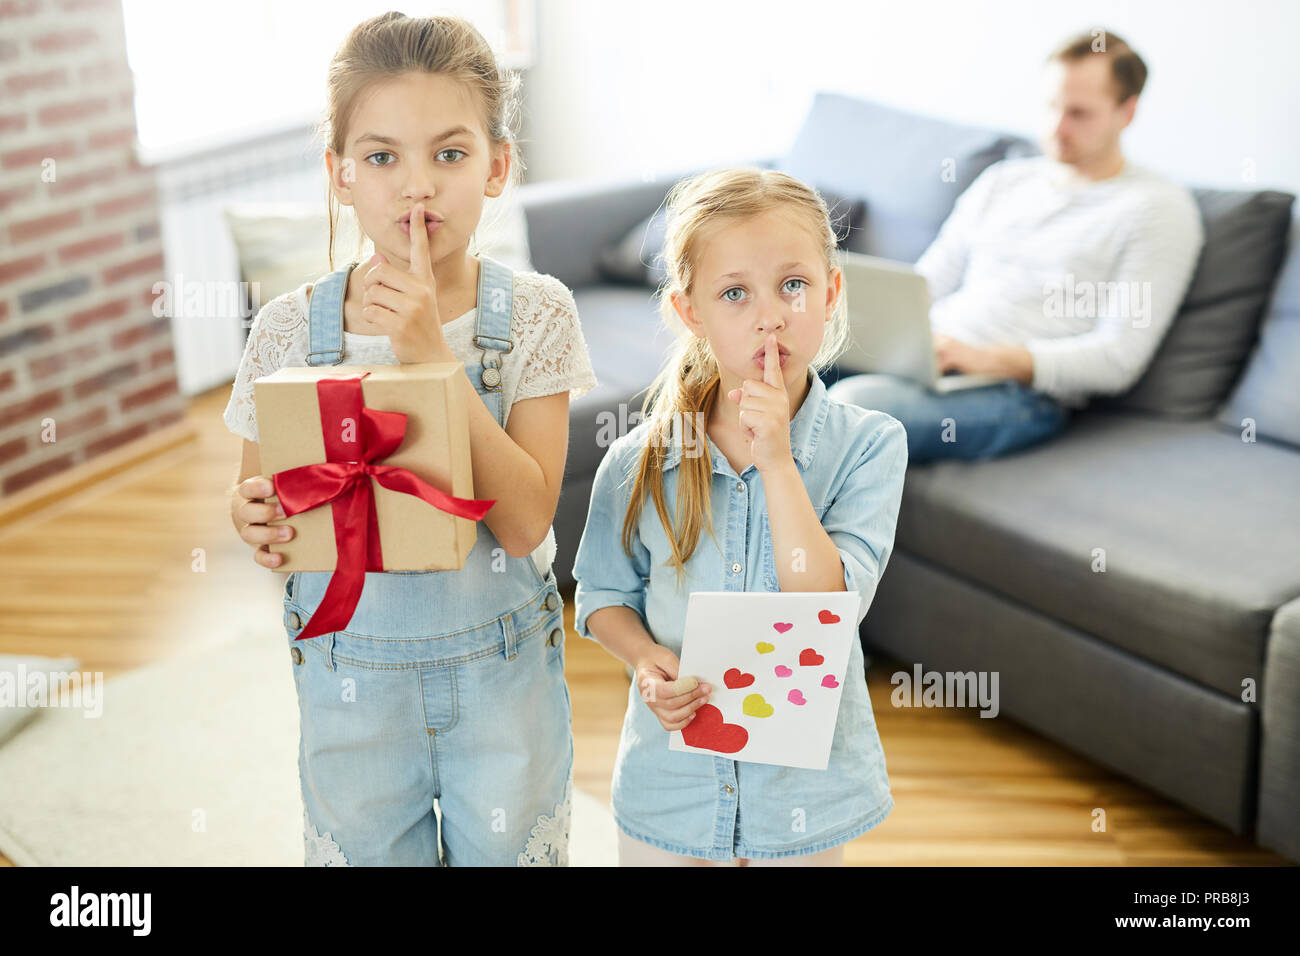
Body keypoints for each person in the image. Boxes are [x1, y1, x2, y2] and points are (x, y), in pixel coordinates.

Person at [222, 13, 597, 866]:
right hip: (351, 686)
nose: (416, 186)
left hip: (502, 683)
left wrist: (434, 358)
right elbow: (266, 515)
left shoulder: (536, 315)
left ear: (498, 166)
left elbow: (527, 522)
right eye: (383, 157)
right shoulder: (286, 329)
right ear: (341, 175)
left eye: (450, 154)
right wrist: (251, 519)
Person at [572, 167, 908, 865]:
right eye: (734, 293)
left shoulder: (871, 446)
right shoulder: (637, 461)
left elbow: (827, 605)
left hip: (801, 798)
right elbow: (604, 597)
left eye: (794, 285)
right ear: (689, 313)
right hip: (673, 786)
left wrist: (780, 466)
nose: (770, 315)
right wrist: (645, 659)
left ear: (830, 291)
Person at [829, 29, 1205, 461]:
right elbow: (926, 282)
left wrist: (986, 358)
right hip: (930, 356)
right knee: (760, 361)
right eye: (1051, 106)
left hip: (1018, 395)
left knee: (851, 410)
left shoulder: (1156, 209)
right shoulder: (1004, 181)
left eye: (1080, 114)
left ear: (1128, 112)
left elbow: (1119, 358)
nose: (1056, 129)